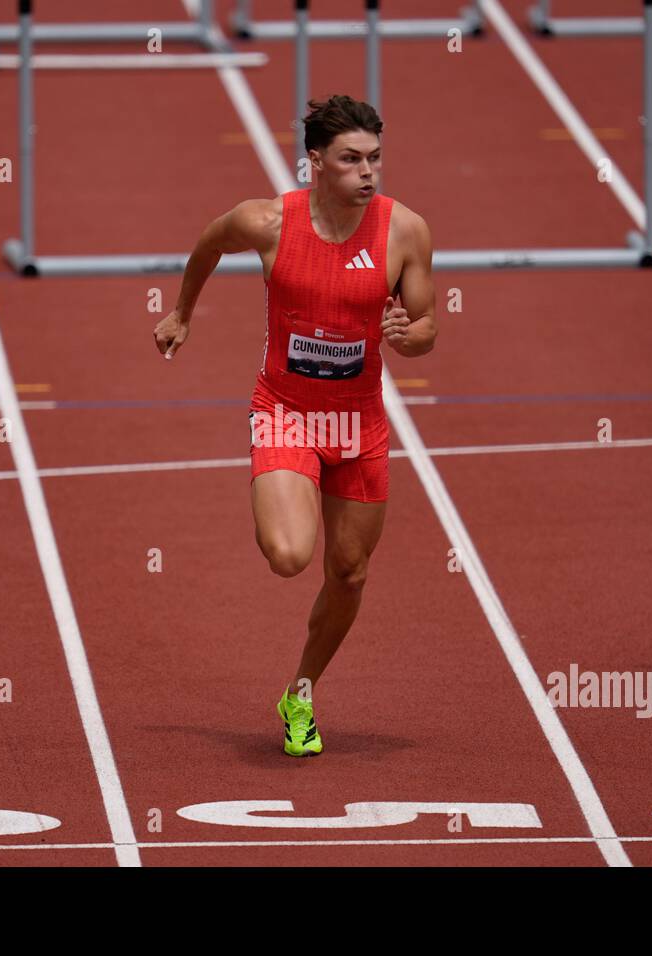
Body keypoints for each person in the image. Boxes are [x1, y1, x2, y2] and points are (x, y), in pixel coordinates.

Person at [153, 95, 437, 756]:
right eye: (350, 160)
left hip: (359, 423)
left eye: (374, 159)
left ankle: (300, 690)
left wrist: (408, 334)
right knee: (289, 556)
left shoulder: (405, 232)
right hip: (285, 412)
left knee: (349, 572)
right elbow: (208, 242)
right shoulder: (266, 221)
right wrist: (181, 313)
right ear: (316, 163)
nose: (367, 172)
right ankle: (279, 477)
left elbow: (426, 328)